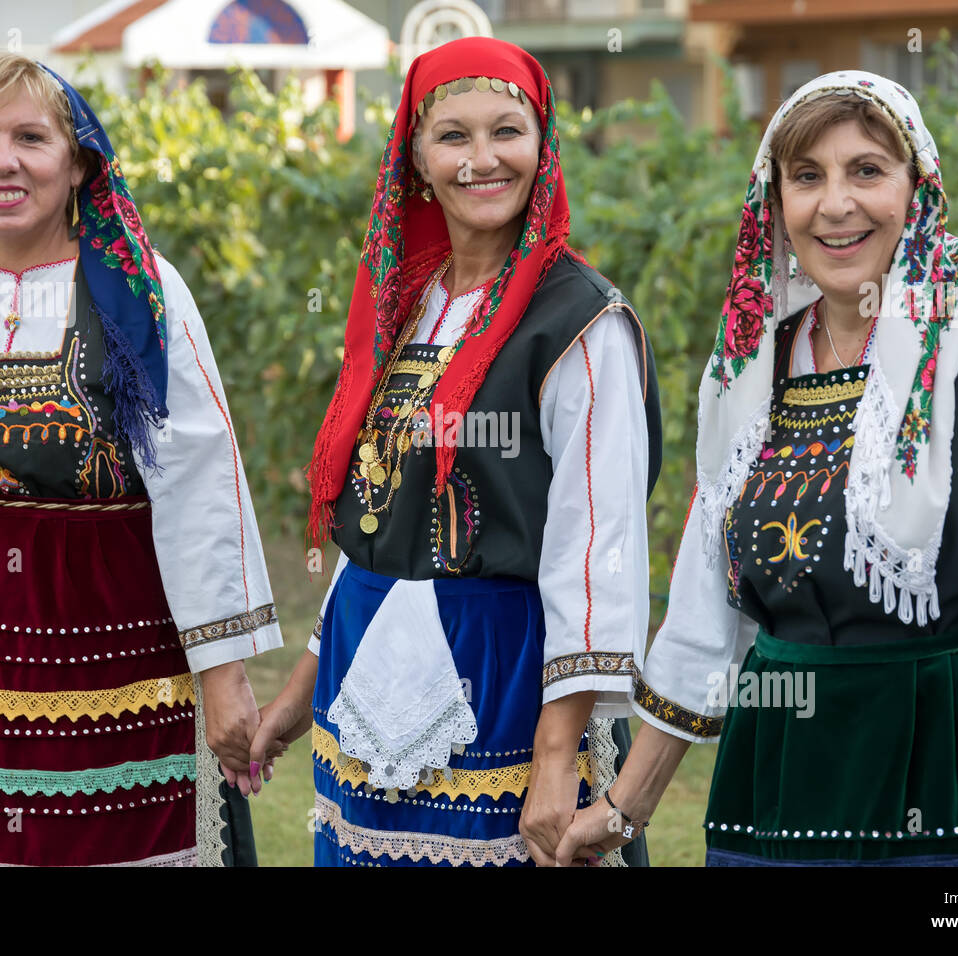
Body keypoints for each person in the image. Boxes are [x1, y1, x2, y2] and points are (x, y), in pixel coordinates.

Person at [557, 70, 958, 867]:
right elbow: (706, 605)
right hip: (777, 782)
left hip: (947, 781)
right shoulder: (753, 358)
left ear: (916, 188)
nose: (836, 204)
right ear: (776, 201)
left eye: (867, 170)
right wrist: (624, 807)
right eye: (807, 177)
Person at [0, 53, 281, 866]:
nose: (3, 161)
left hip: (111, 655)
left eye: (31, 138)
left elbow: (199, 485)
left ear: (77, 165)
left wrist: (223, 676)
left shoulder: (141, 293)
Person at [249, 36, 662, 867]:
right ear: (417, 157)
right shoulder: (406, 306)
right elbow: (383, 510)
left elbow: (596, 550)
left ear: (543, 145)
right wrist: (302, 687)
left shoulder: (580, 323)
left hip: (506, 674)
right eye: (453, 136)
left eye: (507, 131)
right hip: (365, 670)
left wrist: (556, 758)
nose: (482, 158)